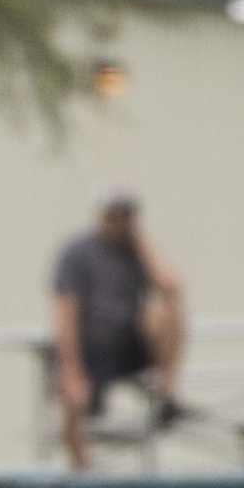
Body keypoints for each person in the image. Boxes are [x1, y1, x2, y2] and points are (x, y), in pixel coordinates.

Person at [52, 185, 188, 470]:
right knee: (73, 397)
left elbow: (173, 288)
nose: (120, 222)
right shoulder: (78, 252)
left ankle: (167, 396)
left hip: (128, 345)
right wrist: (72, 369)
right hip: (92, 345)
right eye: (115, 215)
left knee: (165, 313)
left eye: (127, 215)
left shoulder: (137, 252)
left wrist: (142, 244)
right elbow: (65, 313)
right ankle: (82, 474)